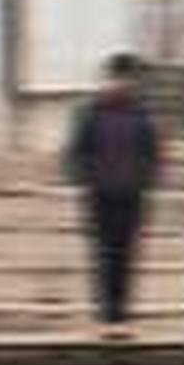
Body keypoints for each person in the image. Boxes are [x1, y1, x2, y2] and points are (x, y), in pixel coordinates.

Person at [63, 53, 163, 335]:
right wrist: (88, 181)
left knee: (127, 256)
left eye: (130, 79)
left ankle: (122, 316)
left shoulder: (142, 114)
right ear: (109, 79)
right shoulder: (89, 112)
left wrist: (145, 182)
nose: (126, 83)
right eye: (121, 78)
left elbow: (153, 153)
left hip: (132, 196)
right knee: (103, 255)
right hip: (100, 196)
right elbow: (76, 152)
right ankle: (105, 316)